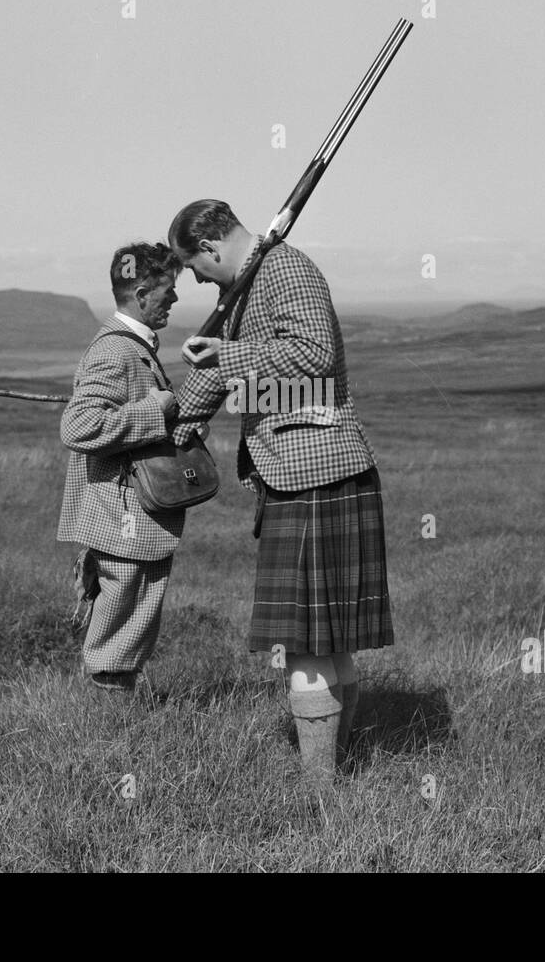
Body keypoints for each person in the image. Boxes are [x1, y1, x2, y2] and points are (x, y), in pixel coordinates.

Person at [167, 199, 392, 782]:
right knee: (327, 642)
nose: (193, 278)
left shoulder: (285, 269)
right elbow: (219, 373)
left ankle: (320, 795)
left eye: (194, 266)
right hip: (302, 475)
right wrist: (173, 423)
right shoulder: (244, 285)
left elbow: (314, 358)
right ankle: (340, 774)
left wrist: (231, 352)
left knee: (309, 646)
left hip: (316, 472)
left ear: (212, 247)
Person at [57, 242, 183, 695]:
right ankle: (110, 728)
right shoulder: (117, 351)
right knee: (122, 621)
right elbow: (80, 426)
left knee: (130, 615)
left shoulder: (131, 345)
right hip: (123, 513)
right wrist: (156, 412)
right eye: (168, 291)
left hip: (128, 510)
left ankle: (114, 723)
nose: (174, 300)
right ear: (143, 292)